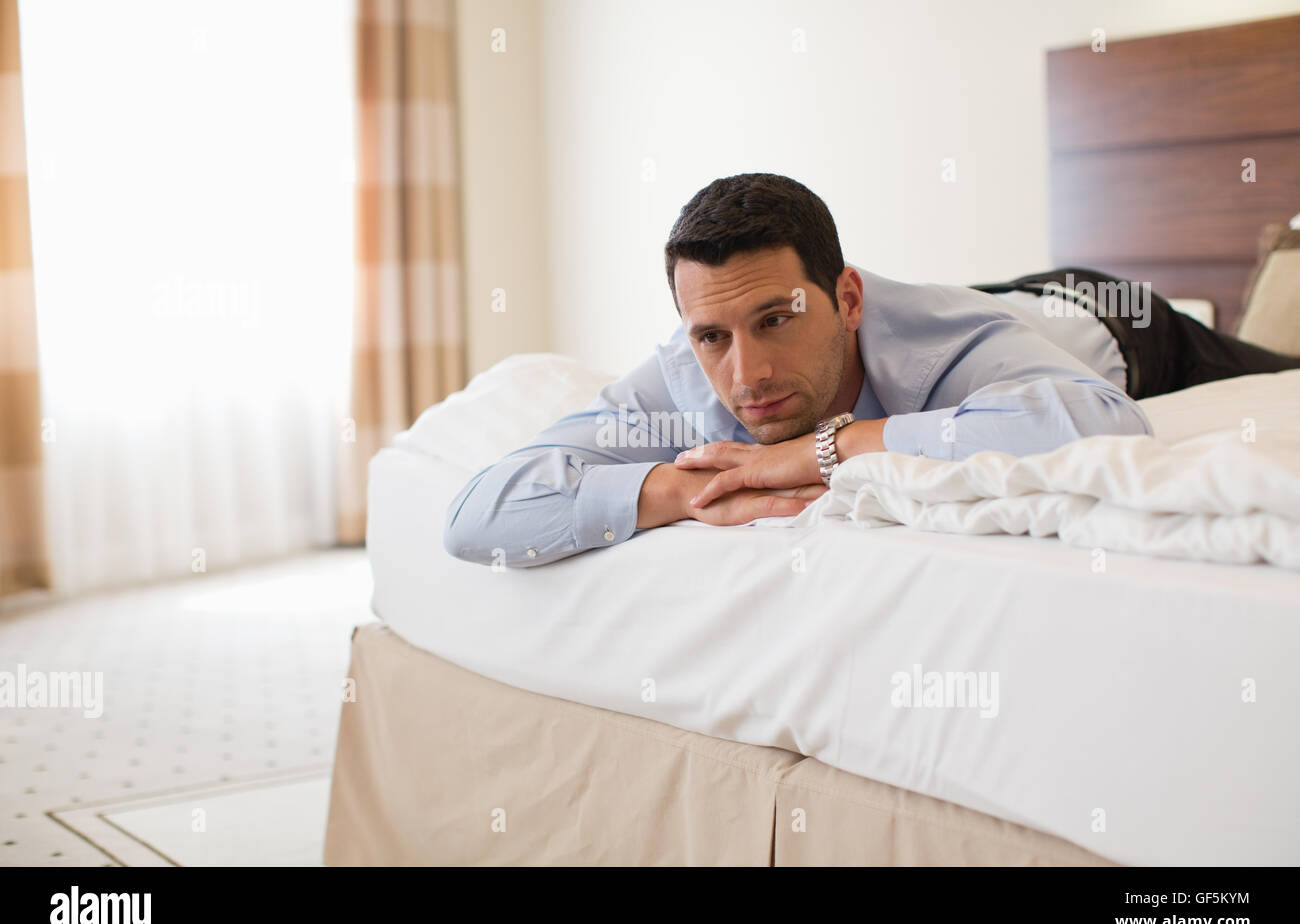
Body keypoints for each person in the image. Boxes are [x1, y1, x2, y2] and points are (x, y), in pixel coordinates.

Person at [445, 173, 1300, 567]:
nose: (746, 373)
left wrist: (829, 448)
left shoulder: (946, 338)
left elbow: (1102, 419)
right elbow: (478, 513)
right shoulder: (679, 374)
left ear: (846, 298)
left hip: (1112, 322)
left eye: (777, 319)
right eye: (713, 336)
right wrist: (670, 492)